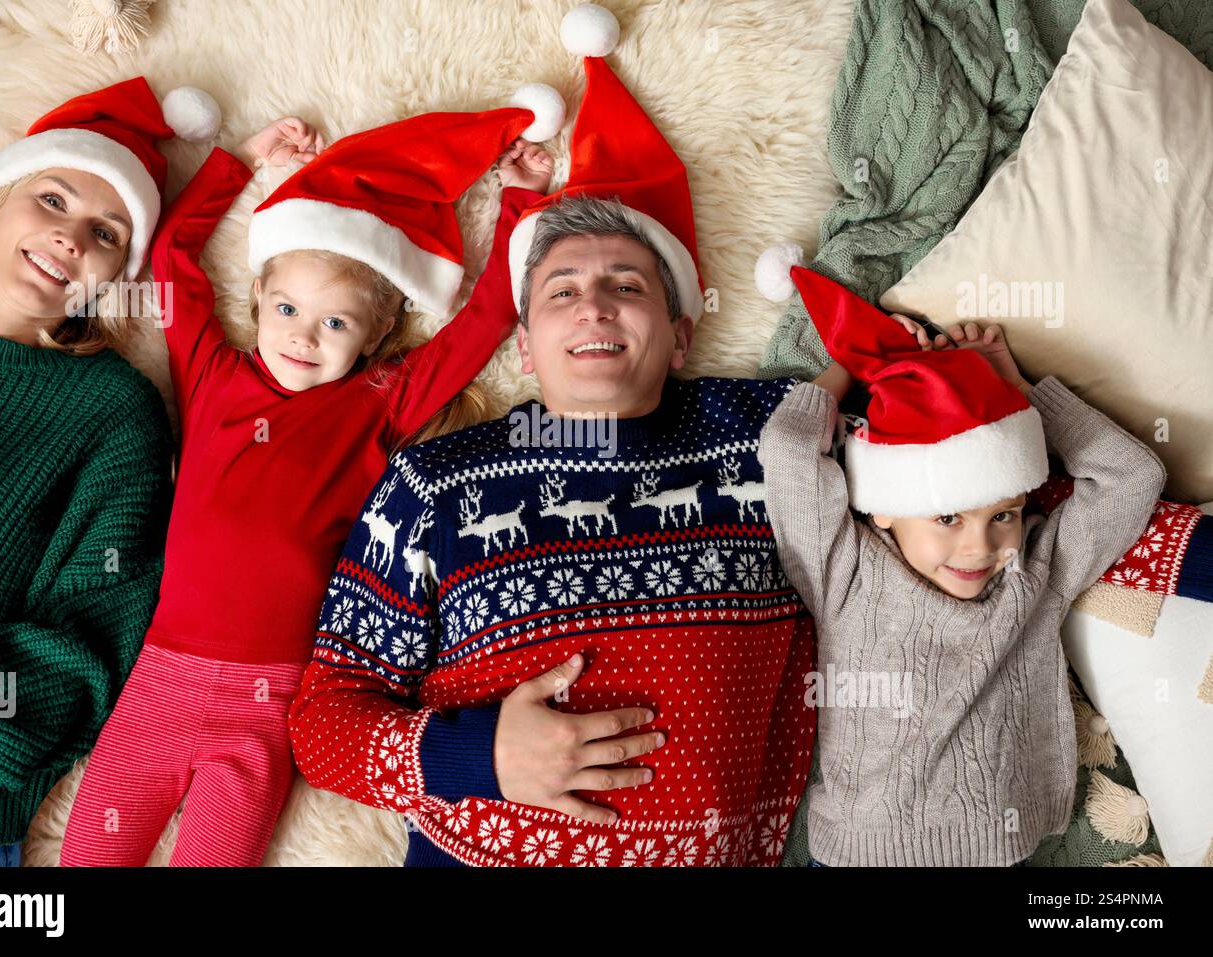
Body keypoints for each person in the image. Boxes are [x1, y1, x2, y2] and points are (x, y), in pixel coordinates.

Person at [288, 11, 818, 867]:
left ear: (680, 335)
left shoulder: (765, 434)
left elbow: (924, 438)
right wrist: (477, 753)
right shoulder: (436, 483)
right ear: (526, 344)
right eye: (561, 291)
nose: (596, 305)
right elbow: (322, 727)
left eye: (626, 285)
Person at [60, 92, 560, 867]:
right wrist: (241, 164)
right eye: (288, 307)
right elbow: (171, 263)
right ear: (257, 296)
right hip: (160, 679)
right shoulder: (212, 373)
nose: (303, 334)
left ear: (380, 333)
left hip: (273, 697)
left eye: (336, 322)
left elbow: (484, 321)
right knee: (89, 856)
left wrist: (519, 200)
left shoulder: (377, 401)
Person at [758, 266, 1167, 866]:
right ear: (885, 512)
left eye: (1003, 514)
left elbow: (1134, 479)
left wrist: (1019, 390)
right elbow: (790, 451)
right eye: (947, 519)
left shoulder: (1033, 579)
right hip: (858, 857)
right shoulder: (843, 572)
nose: (980, 548)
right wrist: (855, 364)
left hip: (996, 853)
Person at [0, 77, 189, 865]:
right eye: (54, 200)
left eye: (107, 233)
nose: (75, 237)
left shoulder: (111, 412)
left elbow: (91, 639)